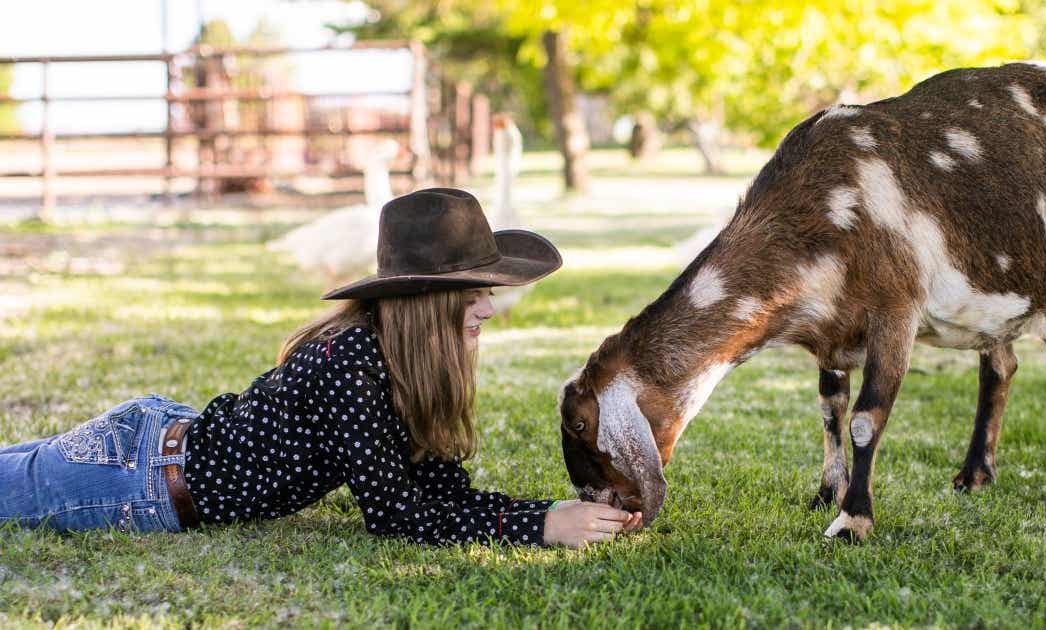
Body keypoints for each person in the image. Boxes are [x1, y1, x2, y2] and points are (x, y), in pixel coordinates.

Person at [0, 188, 641, 547]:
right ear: (428, 302)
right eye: (474, 293)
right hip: (138, 477)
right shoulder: (351, 362)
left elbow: (439, 495)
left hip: (162, 437)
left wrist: (560, 512)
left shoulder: (401, 363)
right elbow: (394, 517)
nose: (490, 309)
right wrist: (540, 528)